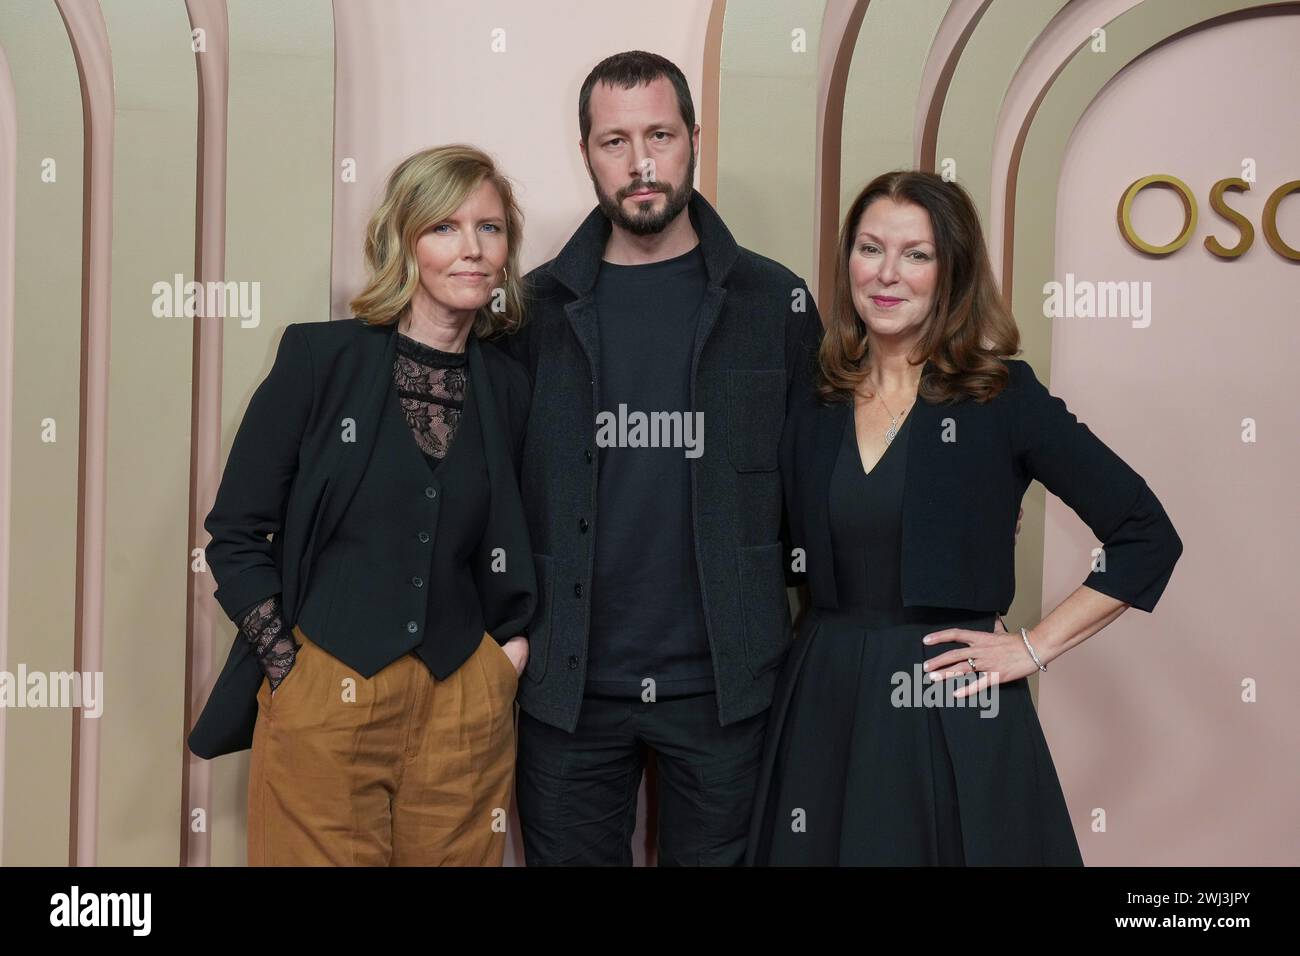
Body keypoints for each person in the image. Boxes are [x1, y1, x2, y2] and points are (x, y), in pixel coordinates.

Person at [746, 170, 1183, 865]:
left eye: (916, 254)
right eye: (869, 249)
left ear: (952, 271)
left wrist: (1033, 647)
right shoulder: (813, 400)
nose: (887, 274)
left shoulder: (1002, 397)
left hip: (952, 705)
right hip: (823, 698)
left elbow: (1146, 537)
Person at [502, 51, 822, 865]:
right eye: (615, 141)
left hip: (729, 686)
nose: (640, 162)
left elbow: (821, 487)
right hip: (565, 686)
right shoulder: (531, 310)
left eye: (659, 135)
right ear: (586, 153)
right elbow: (490, 488)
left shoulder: (773, 300)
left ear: (693, 140)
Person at [189, 145, 537, 866]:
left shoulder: (510, 386)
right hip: (327, 692)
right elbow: (234, 532)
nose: (471, 248)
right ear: (404, 241)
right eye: (444, 227)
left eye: (490, 228)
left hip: (463, 702)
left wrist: (502, 665)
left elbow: (533, 532)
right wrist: (288, 664)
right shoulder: (320, 360)